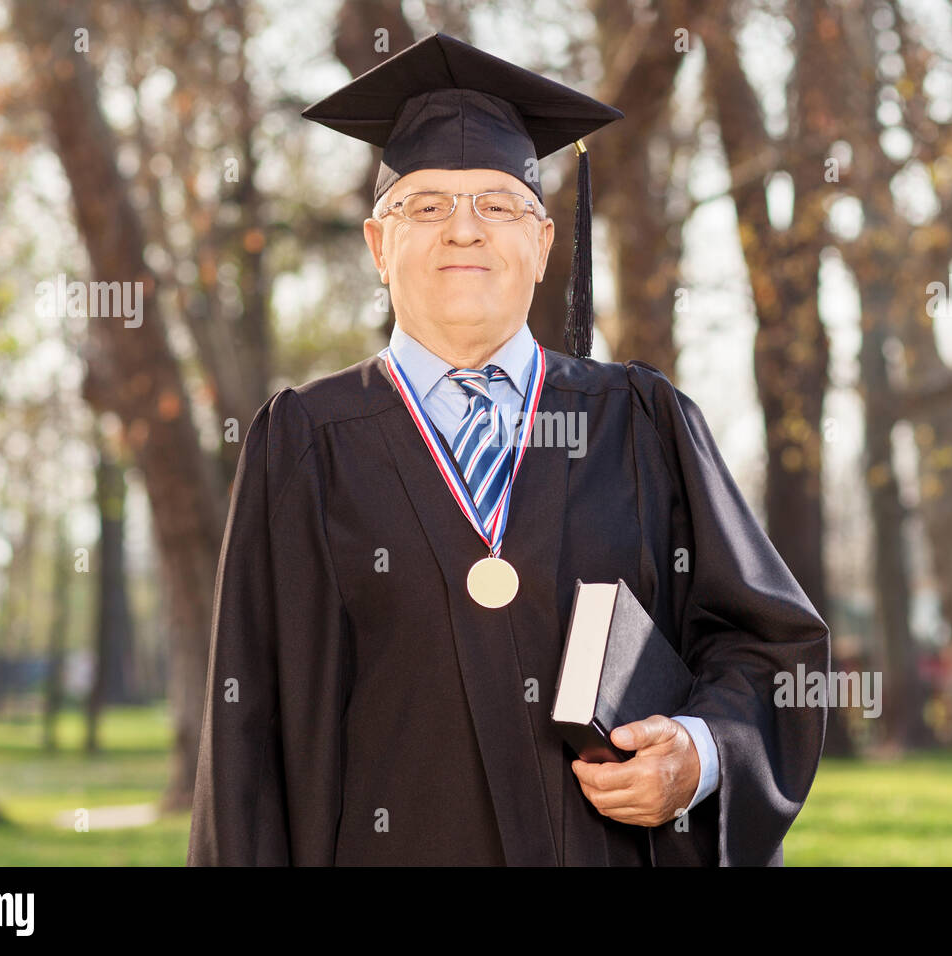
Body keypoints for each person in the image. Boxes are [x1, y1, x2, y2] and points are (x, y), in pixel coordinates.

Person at [187, 32, 829, 866]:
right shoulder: (304, 443)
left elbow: (767, 647)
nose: (464, 231)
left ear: (541, 244)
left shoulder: (641, 423)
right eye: (425, 206)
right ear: (379, 248)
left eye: (497, 204)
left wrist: (700, 753)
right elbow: (247, 737)